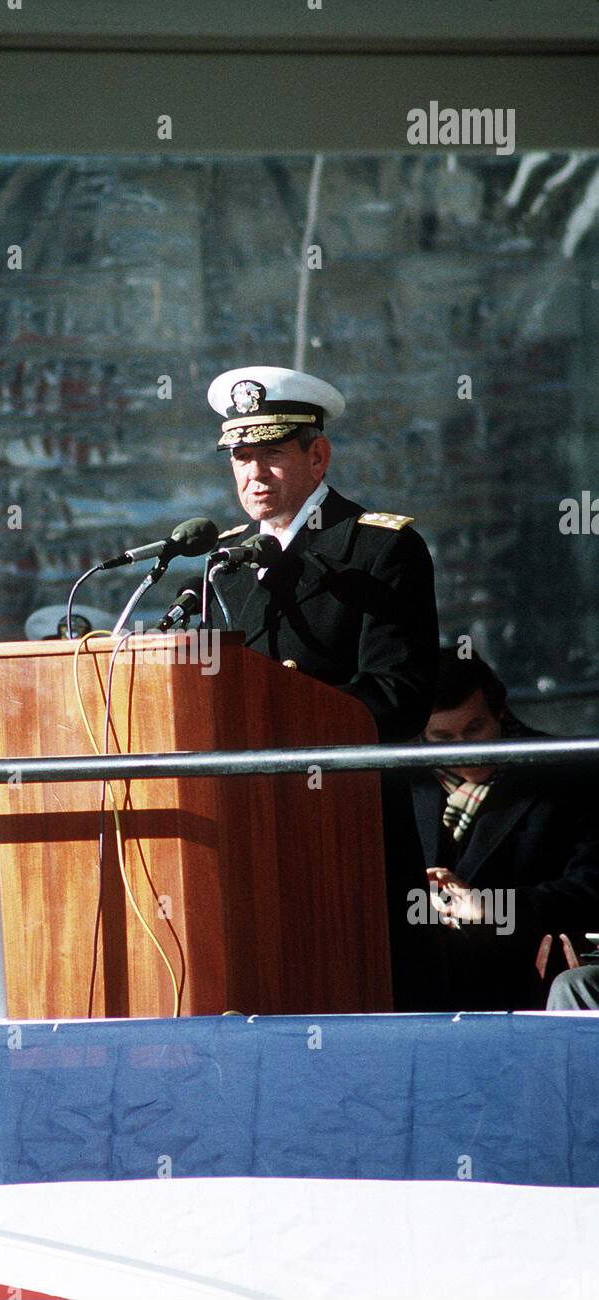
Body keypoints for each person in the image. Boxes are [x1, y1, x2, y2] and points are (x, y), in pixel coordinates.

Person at [207, 365, 441, 1007]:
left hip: (345, 816)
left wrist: (295, 719)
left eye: (270, 455)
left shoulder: (378, 549)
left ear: (317, 455)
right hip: (248, 825)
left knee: (357, 1003)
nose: (252, 474)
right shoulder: (221, 566)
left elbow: (399, 694)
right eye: (240, 457)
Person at [413, 647, 599, 1010]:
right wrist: (424, 901)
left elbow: (589, 893)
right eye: (443, 739)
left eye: (474, 729)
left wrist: (490, 907)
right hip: (424, 981)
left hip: (522, 982)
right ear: (422, 736)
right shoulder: (403, 783)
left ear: (499, 711)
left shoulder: (565, 771)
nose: (461, 750)